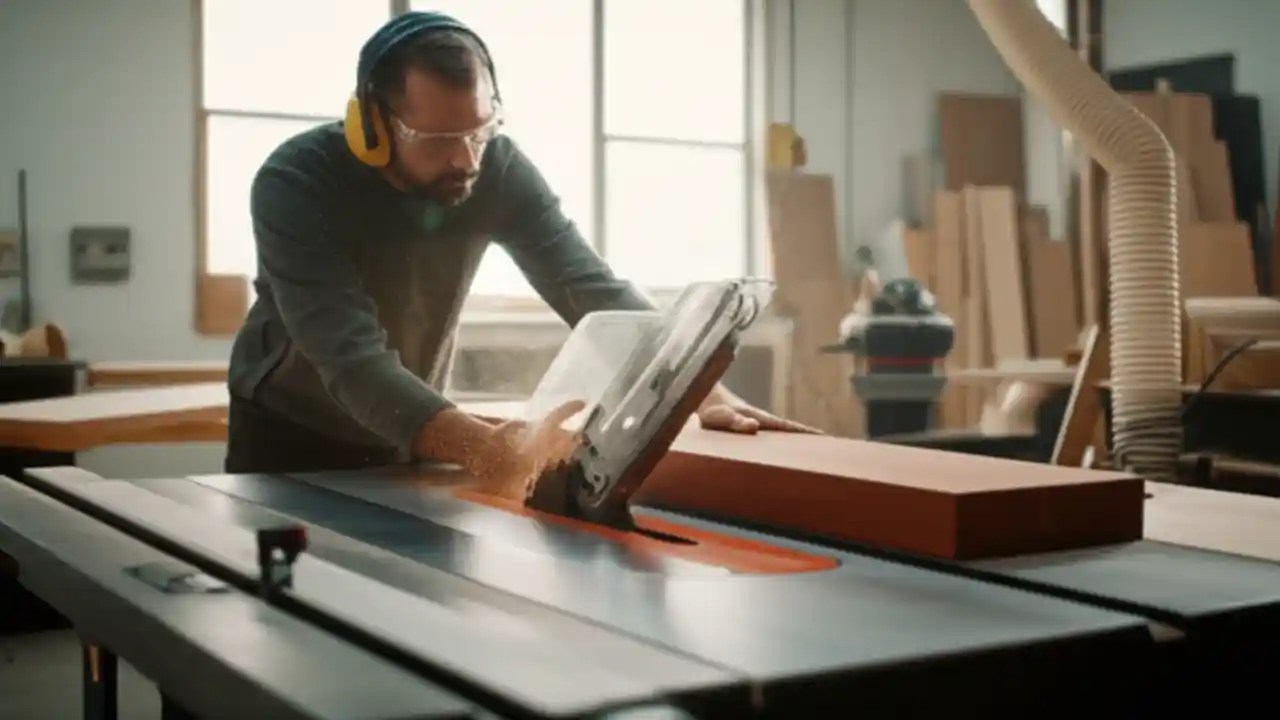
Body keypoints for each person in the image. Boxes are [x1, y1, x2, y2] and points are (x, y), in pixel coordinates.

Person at [224, 11, 816, 492]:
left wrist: (700, 392)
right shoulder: (297, 183)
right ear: (371, 127)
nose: (466, 159)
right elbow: (350, 358)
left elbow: (592, 290)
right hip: (291, 433)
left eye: (480, 130)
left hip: (408, 423)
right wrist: (482, 447)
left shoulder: (495, 169)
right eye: (439, 140)